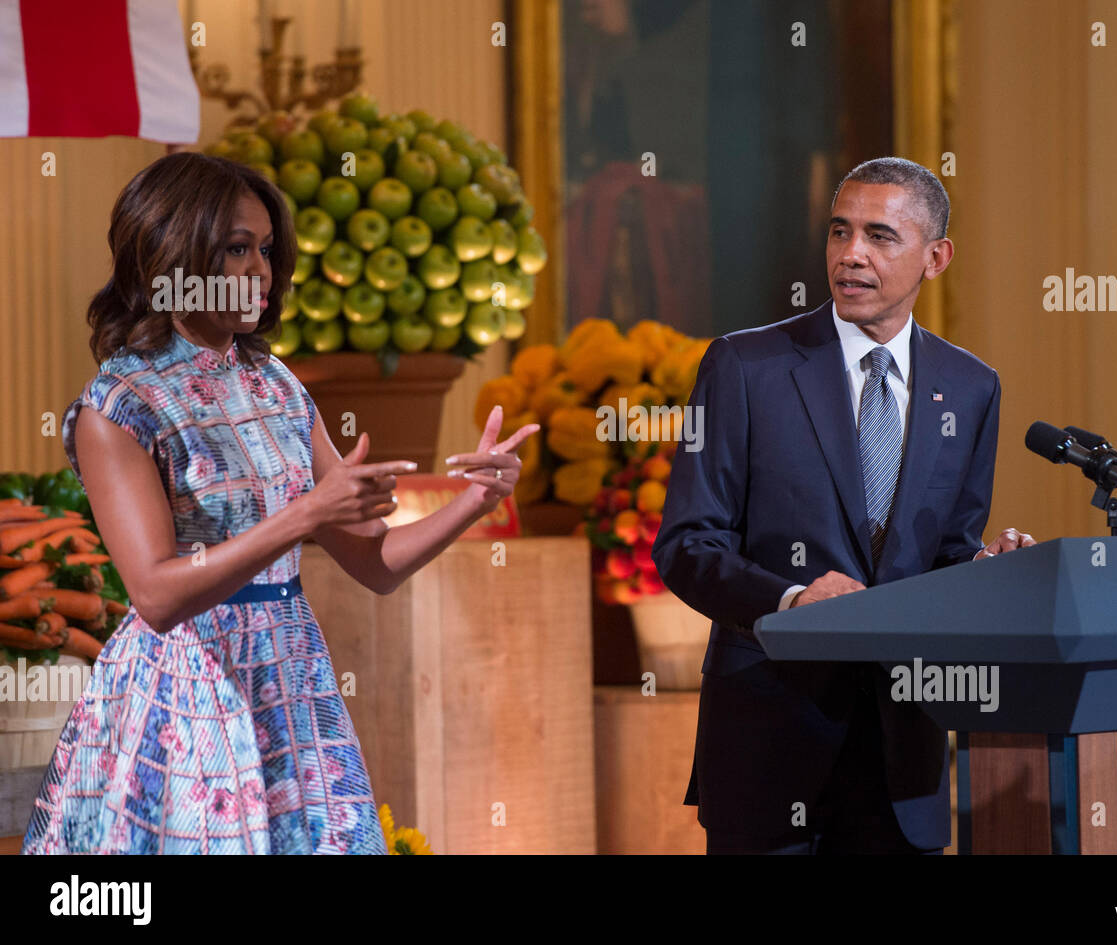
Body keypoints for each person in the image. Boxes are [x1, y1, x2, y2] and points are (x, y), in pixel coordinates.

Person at [21, 152, 538, 854]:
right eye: (237, 248)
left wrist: (476, 500)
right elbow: (156, 594)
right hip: (185, 692)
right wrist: (303, 514)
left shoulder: (276, 383)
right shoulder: (119, 404)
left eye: (266, 249)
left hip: (292, 678)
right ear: (173, 252)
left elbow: (377, 562)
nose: (261, 269)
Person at [651, 157, 1036, 855]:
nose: (851, 254)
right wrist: (792, 600)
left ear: (935, 256)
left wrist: (989, 573)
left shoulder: (972, 386)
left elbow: (947, 552)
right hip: (770, 748)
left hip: (902, 763)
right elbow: (687, 544)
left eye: (880, 236)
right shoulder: (746, 368)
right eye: (840, 232)